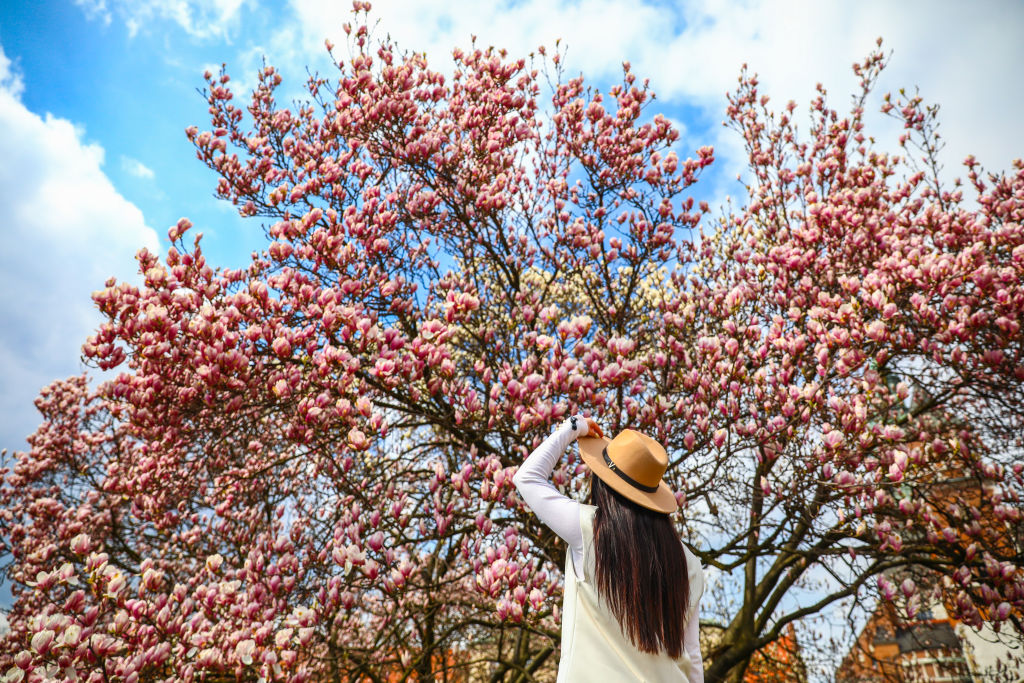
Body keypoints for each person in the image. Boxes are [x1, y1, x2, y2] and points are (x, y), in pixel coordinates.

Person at [513, 413, 704, 682]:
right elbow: (691, 656)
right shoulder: (687, 562)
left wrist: (572, 428)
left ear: (603, 484)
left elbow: (527, 478)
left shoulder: (590, 530)